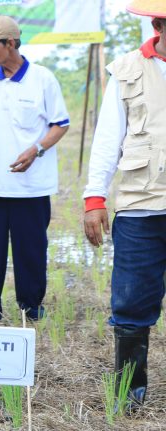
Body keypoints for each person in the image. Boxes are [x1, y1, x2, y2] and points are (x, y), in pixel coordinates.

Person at [82, 0, 166, 407]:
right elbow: (107, 138)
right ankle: (129, 394)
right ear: (158, 24)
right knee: (132, 303)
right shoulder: (127, 70)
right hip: (140, 206)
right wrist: (94, 197)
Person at [0, 16, 69, 323]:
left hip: (31, 186)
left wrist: (37, 149)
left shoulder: (43, 78)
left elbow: (60, 124)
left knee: (31, 250)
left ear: (11, 43)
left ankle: (31, 307)